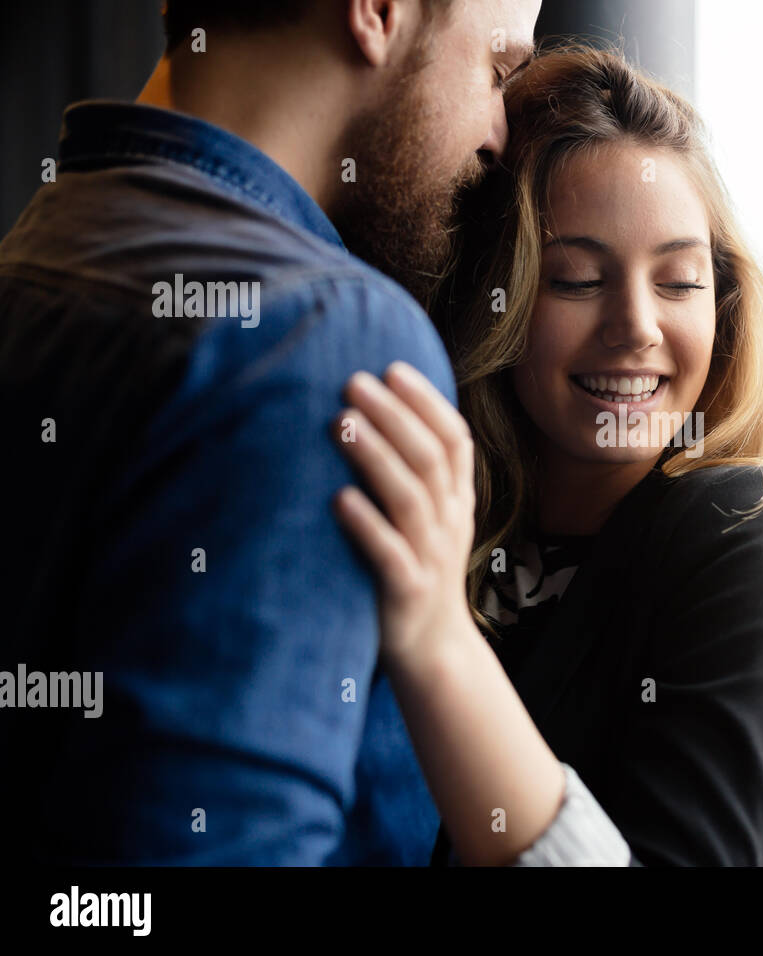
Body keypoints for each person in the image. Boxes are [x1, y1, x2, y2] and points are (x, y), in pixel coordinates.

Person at [0, 0, 541, 864]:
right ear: (377, 13)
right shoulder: (326, 337)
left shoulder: (37, 254)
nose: (500, 134)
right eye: (498, 70)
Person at [331, 46, 763, 866]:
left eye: (679, 282)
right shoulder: (439, 523)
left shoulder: (750, 534)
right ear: (494, 296)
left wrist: (437, 638)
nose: (636, 326)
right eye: (577, 279)